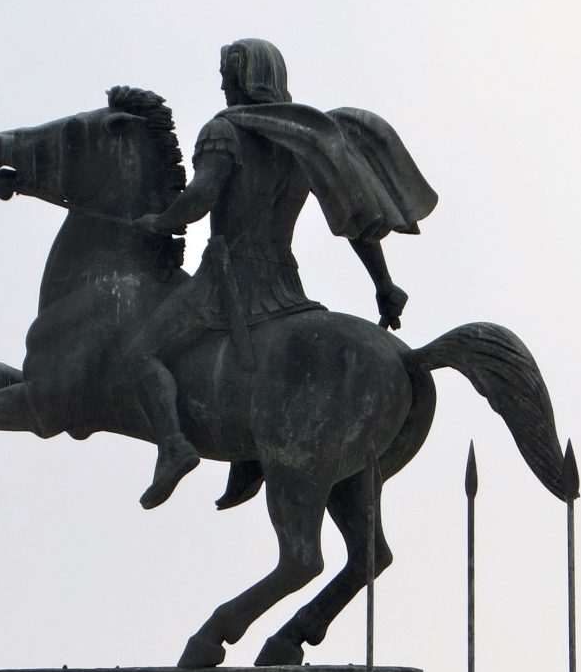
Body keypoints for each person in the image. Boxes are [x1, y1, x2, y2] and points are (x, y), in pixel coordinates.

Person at [107, 38, 439, 509]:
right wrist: (382, 284)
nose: (223, 85)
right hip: (284, 285)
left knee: (140, 355)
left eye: (227, 76)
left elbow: (201, 197)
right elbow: (354, 220)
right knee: (266, 365)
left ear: (245, 79)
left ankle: (174, 448)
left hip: (226, 285)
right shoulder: (299, 138)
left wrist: (159, 221)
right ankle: (251, 457)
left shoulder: (224, 130)